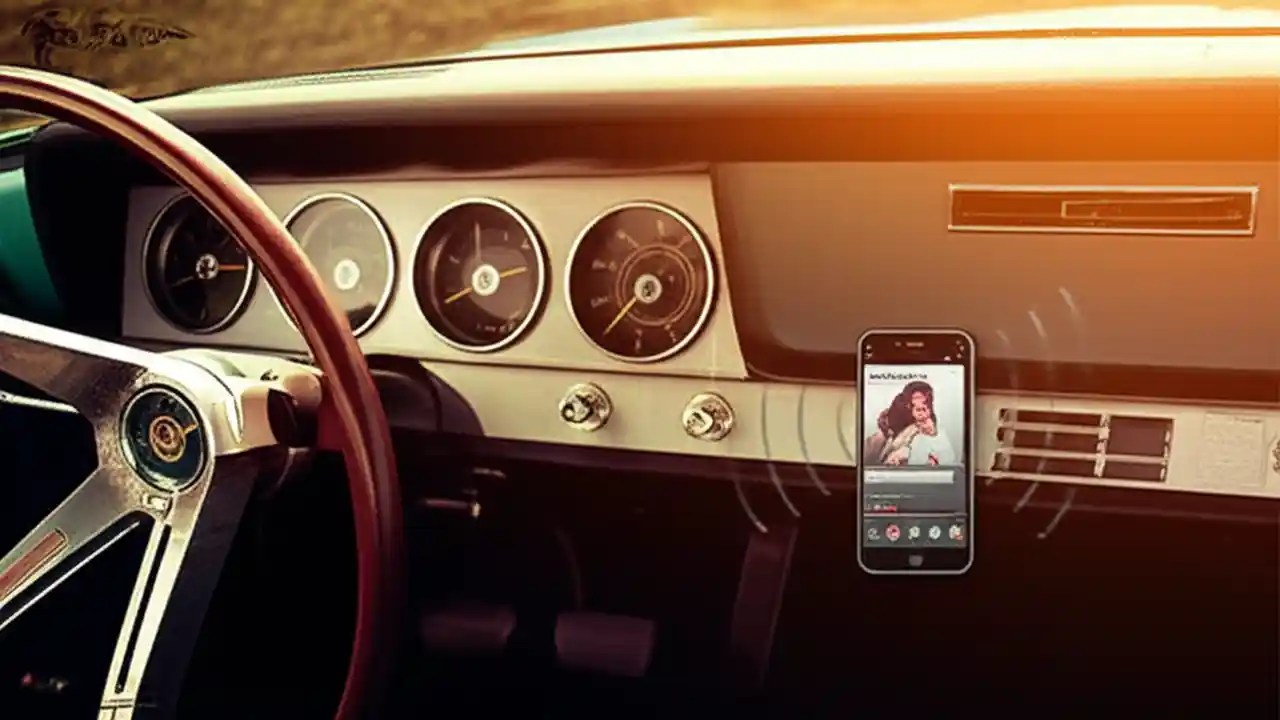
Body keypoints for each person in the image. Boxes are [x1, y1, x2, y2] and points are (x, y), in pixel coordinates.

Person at [863, 380, 957, 466]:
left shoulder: (934, 433)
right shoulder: (891, 424)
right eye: (913, 404)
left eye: (925, 403)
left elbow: (946, 459)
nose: (920, 410)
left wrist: (908, 454)